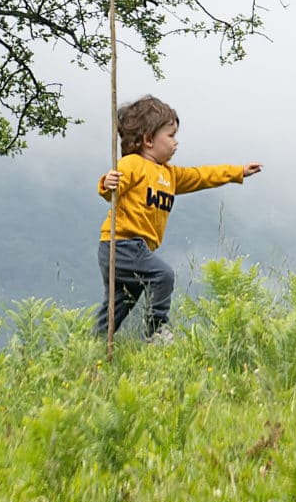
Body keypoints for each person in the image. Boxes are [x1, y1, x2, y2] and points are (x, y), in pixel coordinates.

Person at [95, 95, 262, 342]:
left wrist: (237, 172)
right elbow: (112, 187)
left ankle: (91, 346)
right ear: (148, 140)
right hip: (121, 243)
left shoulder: (170, 175)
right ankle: (156, 332)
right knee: (163, 275)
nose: (176, 143)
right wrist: (107, 183)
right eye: (170, 136)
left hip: (136, 248)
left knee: (118, 306)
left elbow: (202, 175)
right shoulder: (132, 164)